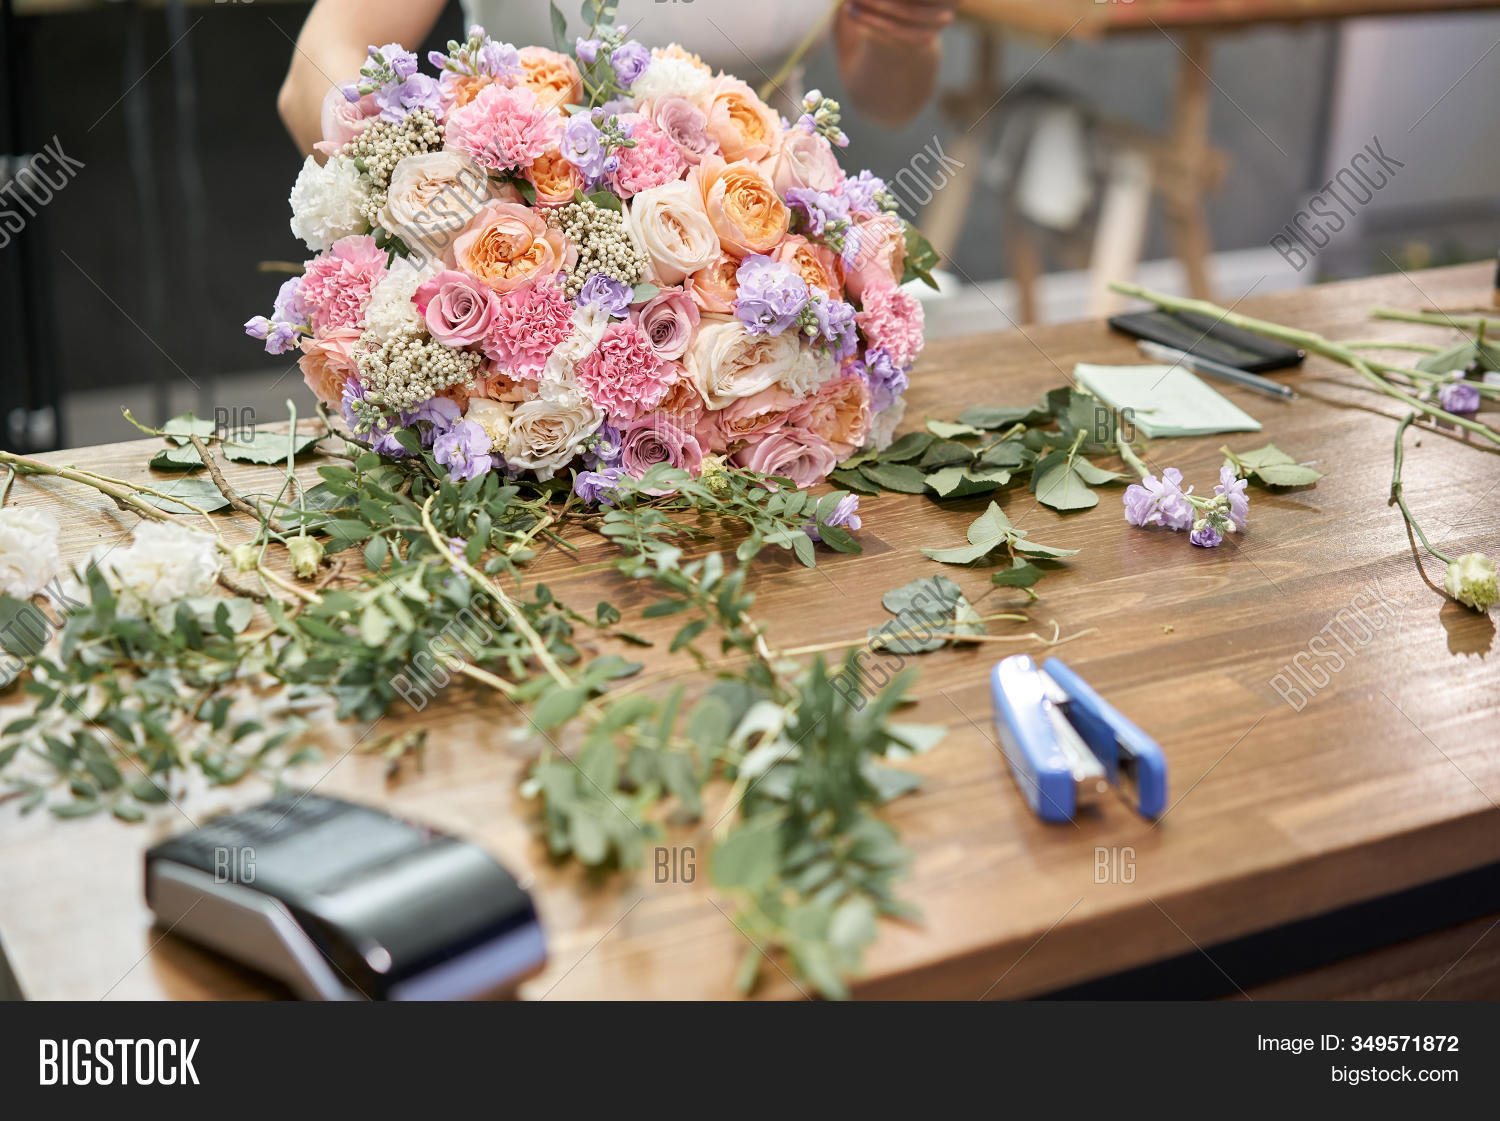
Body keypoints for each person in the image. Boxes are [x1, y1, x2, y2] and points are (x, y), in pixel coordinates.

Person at [277, 0, 959, 155]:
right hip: (521, 255)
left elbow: (888, 100)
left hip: (759, 273)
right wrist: (428, 185)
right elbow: (319, 64)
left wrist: (903, 27)